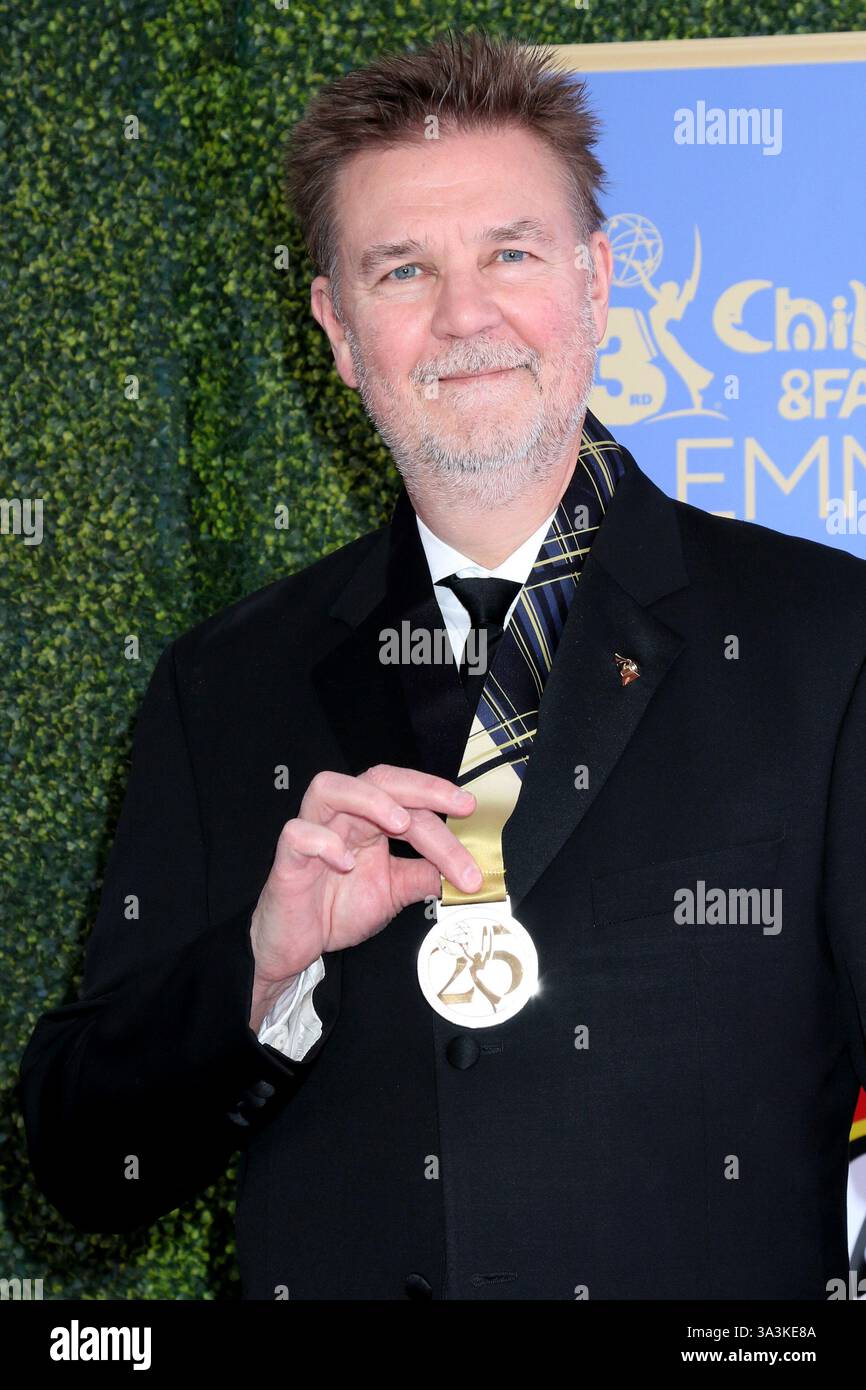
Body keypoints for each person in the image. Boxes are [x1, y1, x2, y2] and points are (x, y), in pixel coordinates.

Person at [18, 29, 866, 1301]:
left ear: (593, 279)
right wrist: (260, 964)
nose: (464, 317)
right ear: (339, 329)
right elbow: (91, 1162)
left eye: (508, 255)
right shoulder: (221, 685)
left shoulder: (827, 641)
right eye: (402, 269)